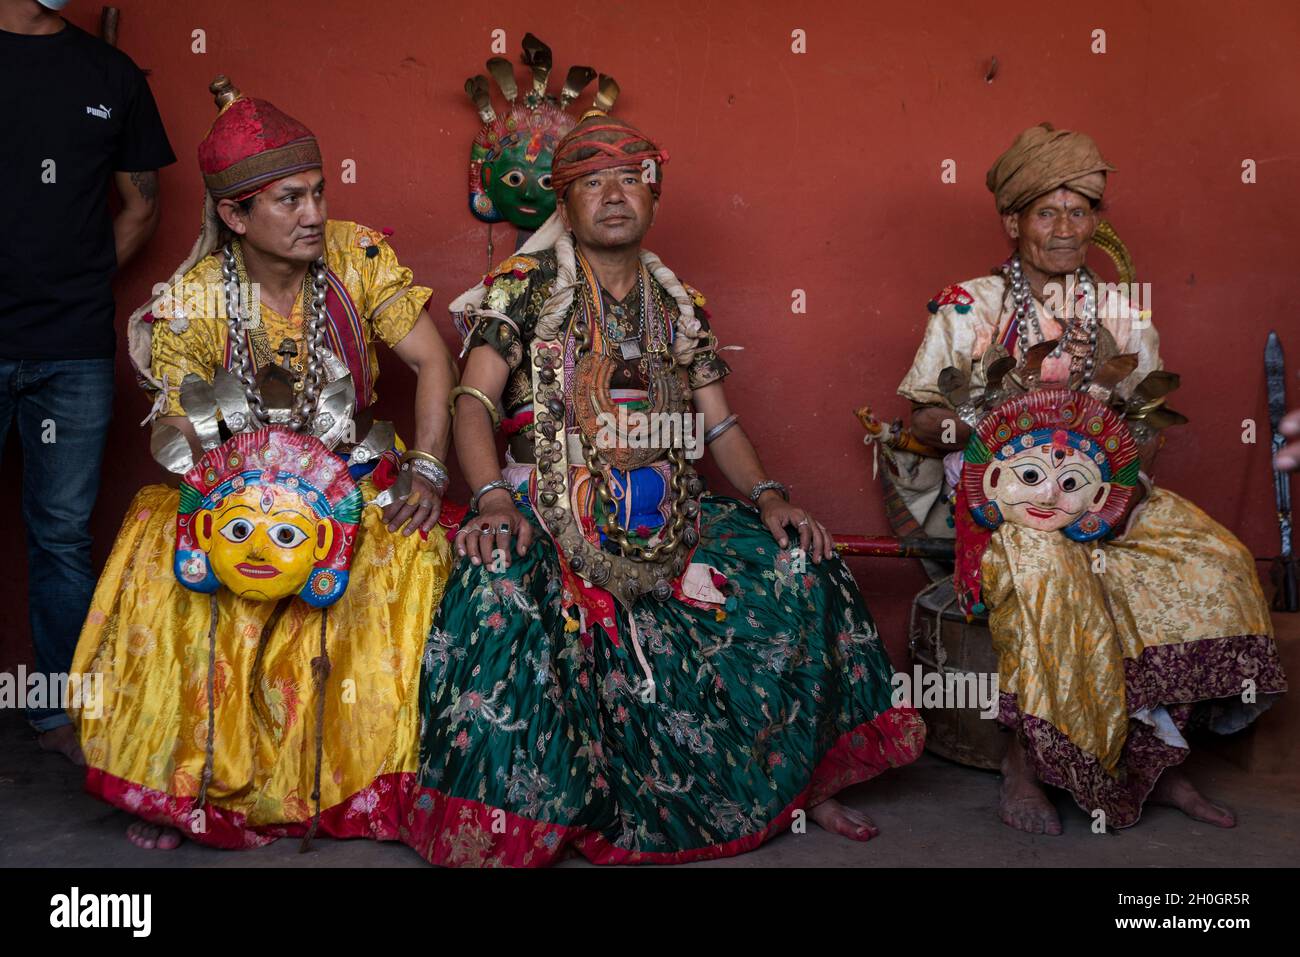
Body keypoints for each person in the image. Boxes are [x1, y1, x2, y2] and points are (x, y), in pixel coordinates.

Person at [402, 111, 924, 867]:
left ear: (654, 194)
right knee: (499, 587)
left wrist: (771, 494)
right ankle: (536, 815)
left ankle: (798, 785)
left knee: (800, 561)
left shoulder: (677, 303)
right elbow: (473, 403)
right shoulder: (523, 287)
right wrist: (490, 498)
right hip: (547, 503)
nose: (614, 194)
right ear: (564, 200)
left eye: (630, 178)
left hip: (664, 509)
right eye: (592, 182)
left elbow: (718, 428)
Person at [70, 77, 457, 850]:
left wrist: (429, 471)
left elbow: (435, 361)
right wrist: (220, 474)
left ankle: (356, 775)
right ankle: (188, 786)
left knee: (413, 547)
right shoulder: (198, 296)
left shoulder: (357, 257)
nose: (314, 213)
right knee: (166, 556)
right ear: (233, 214)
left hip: (350, 482)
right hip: (242, 492)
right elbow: (178, 418)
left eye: (316, 192)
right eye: (288, 200)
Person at [898, 122, 1286, 834]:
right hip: (1003, 507)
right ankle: (1024, 765)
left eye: (1081, 211)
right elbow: (921, 422)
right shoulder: (969, 304)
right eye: (1048, 211)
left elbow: (1144, 424)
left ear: (1097, 222)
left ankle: (1164, 762)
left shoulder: (1120, 310)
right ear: (1014, 220)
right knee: (1052, 568)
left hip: (1100, 492)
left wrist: (1123, 492)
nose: (1066, 227)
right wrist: (994, 433)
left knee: (1217, 559)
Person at [0, 0, 173, 763]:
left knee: (62, 535)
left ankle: (59, 713)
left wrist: (72, 281)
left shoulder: (109, 74)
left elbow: (142, 205)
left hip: (71, 347)